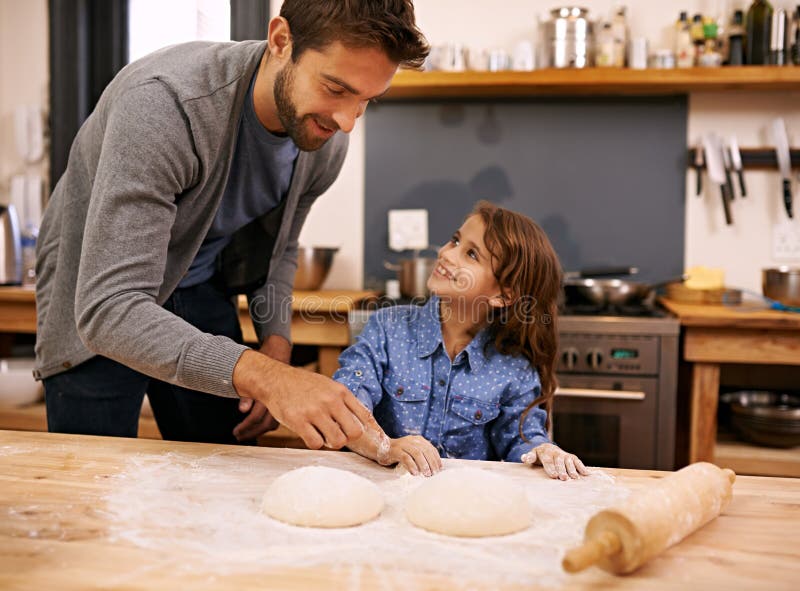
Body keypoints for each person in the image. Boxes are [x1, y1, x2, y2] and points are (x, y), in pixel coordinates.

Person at [34, 1, 429, 448]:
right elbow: (109, 309)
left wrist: (275, 348)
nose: (346, 122)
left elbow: (280, 250)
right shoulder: (165, 105)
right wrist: (266, 378)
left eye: (366, 101)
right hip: (99, 292)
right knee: (93, 482)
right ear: (281, 41)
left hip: (199, 283)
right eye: (336, 88)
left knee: (225, 464)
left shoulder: (324, 140)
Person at [333, 201, 589, 480]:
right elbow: (345, 408)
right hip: (382, 495)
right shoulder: (387, 327)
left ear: (503, 295)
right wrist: (386, 447)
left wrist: (543, 451)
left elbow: (523, 441)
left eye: (471, 254)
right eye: (455, 240)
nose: (446, 254)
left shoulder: (514, 368)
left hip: (464, 510)